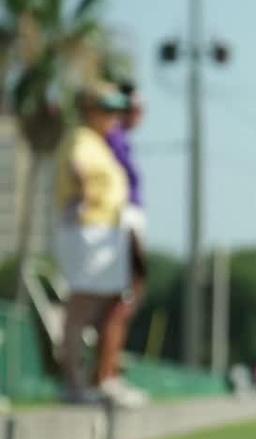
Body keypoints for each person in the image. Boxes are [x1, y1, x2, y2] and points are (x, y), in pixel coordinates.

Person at [55, 81, 135, 405]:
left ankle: (96, 379)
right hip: (88, 231)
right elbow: (79, 168)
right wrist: (84, 191)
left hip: (103, 232)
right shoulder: (82, 138)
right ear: (89, 111)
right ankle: (73, 383)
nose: (114, 116)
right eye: (107, 109)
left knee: (104, 307)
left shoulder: (98, 142)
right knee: (81, 306)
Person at [95, 80, 151, 409]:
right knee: (120, 301)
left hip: (129, 222)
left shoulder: (120, 140)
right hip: (122, 223)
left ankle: (110, 374)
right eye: (135, 108)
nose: (140, 114)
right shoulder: (112, 138)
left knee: (126, 301)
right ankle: (106, 376)